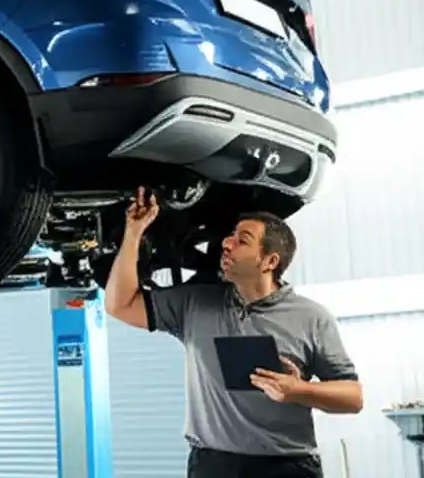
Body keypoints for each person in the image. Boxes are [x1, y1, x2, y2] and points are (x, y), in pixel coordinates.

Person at [104, 187, 364, 478]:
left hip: (286, 467)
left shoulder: (311, 317)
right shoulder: (195, 304)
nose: (226, 243)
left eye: (243, 240)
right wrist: (134, 231)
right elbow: (120, 304)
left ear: (270, 261)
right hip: (213, 466)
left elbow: (353, 397)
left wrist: (299, 390)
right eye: (231, 235)